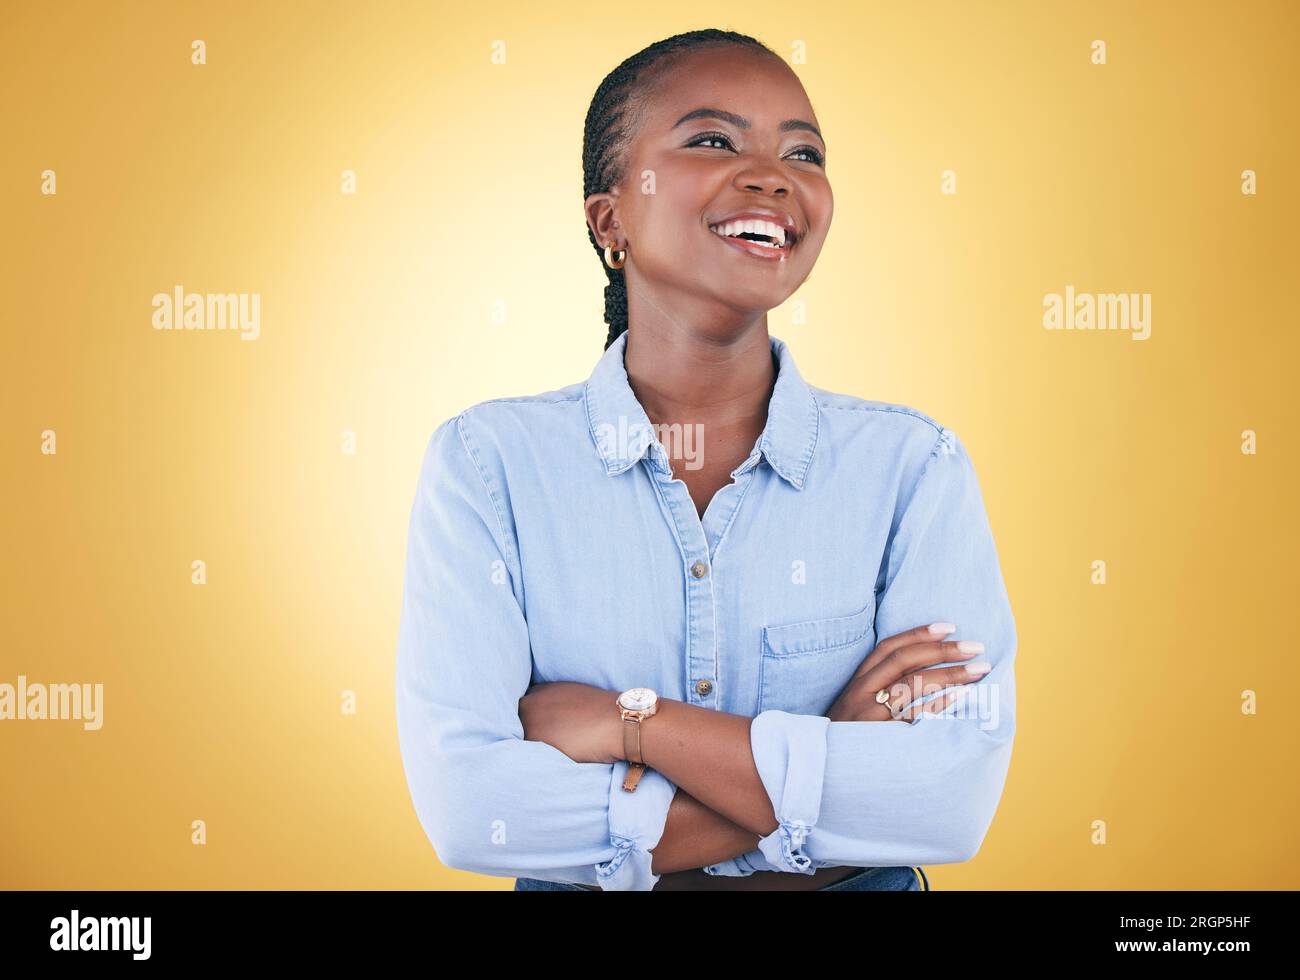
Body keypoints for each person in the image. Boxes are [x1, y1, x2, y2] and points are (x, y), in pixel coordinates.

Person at [395, 28, 1016, 892]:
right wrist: (829, 757)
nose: (774, 175)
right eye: (714, 140)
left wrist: (632, 725)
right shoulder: (488, 464)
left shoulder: (913, 469)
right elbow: (476, 812)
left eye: (804, 152)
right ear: (610, 218)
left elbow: (945, 803)